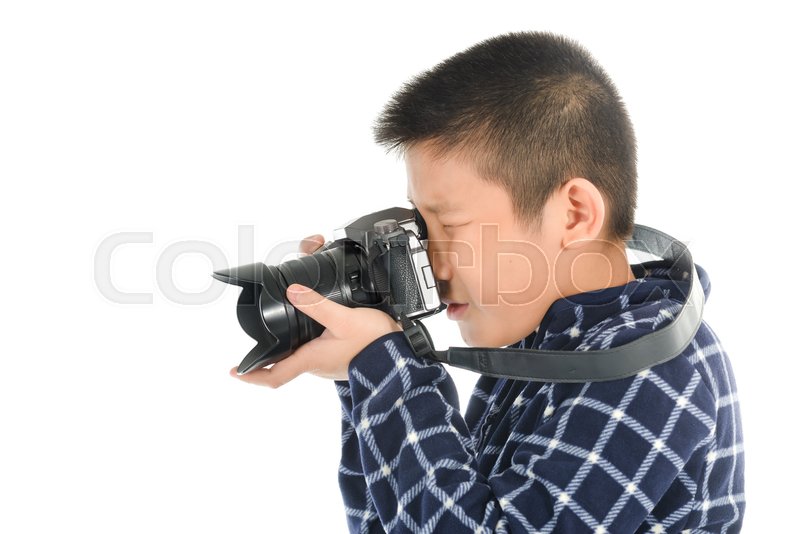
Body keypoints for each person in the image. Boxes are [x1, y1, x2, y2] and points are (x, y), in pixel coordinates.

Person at [230, 31, 745, 533]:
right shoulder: (540, 348)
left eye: (448, 227)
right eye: (419, 227)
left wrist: (387, 372)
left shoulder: (653, 365)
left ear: (573, 214)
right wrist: (363, 367)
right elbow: (402, 520)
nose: (429, 261)